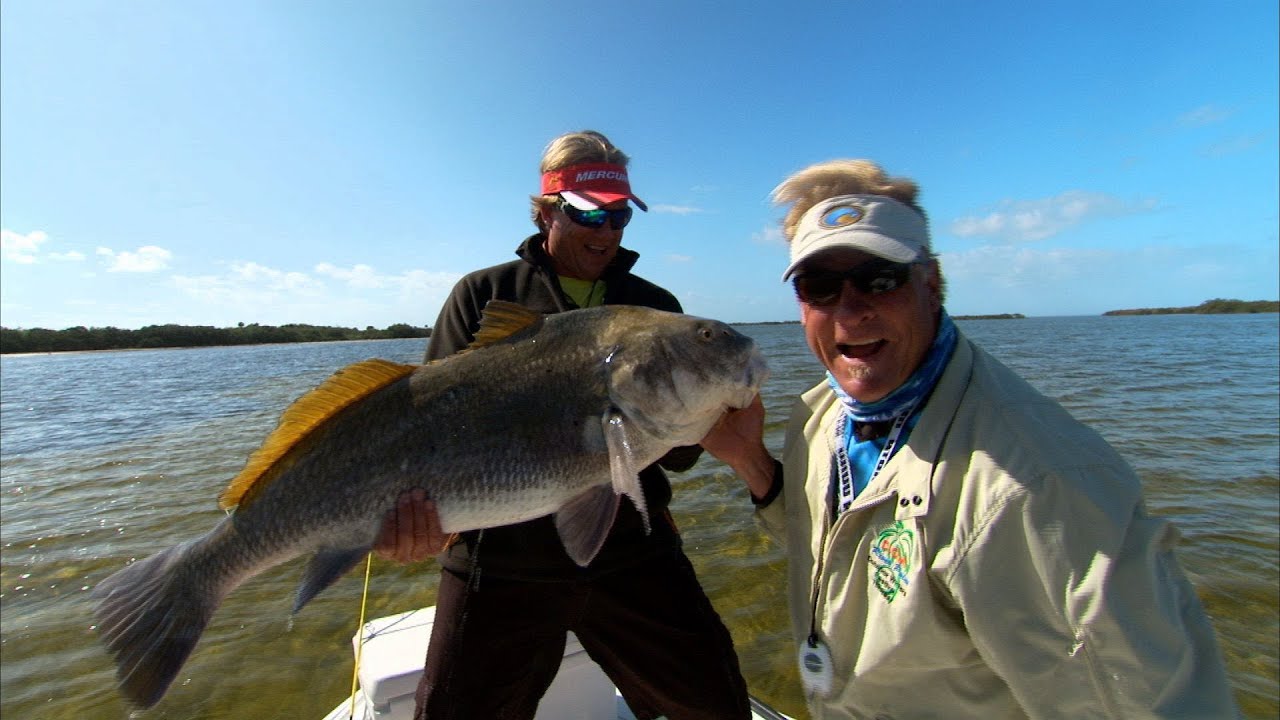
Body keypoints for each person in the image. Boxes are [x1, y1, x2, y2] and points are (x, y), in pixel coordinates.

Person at [701, 159, 1240, 718]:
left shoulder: (1038, 483)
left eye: (878, 279)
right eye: (820, 286)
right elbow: (830, 551)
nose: (850, 309)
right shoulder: (822, 415)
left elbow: (1149, 702)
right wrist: (749, 460)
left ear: (931, 285)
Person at [376, 130, 751, 720]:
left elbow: (677, 457)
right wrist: (419, 522)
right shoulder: (483, 295)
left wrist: (710, 415)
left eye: (619, 217)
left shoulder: (655, 307)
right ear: (547, 209)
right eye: (587, 214)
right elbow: (426, 428)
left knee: (714, 704)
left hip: (634, 551)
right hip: (500, 562)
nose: (606, 233)